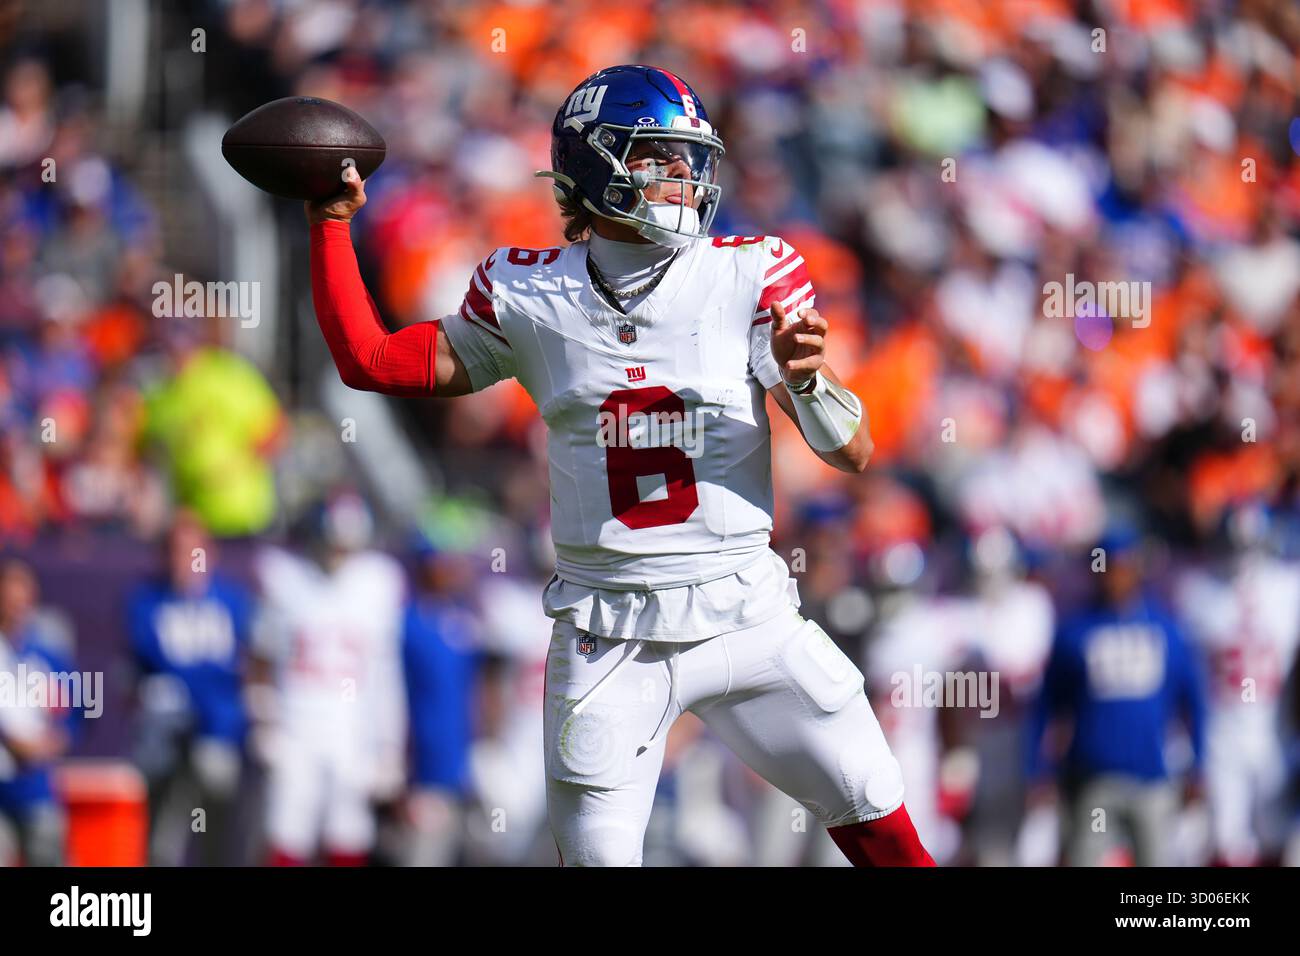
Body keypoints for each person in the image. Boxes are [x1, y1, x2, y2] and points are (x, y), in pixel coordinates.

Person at [306, 65, 933, 867]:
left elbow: (853, 450)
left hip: (746, 610)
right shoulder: (529, 294)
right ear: (596, 163)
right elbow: (370, 360)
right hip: (611, 633)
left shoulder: (748, 273)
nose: (686, 177)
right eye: (660, 157)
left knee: (881, 818)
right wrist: (329, 222)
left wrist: (805, 380)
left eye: (692, 159)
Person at [1027, 526, 1207, 866]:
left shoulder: (1165, 628)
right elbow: (1046, 707)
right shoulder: (1075, 630)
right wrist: (1039, 770)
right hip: (1094, 780)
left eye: (1122, 566)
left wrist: (1198, 765)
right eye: (1107, 567)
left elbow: (1193, 700)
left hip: (1152, 777)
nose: (1115, 576)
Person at [127, 512, 252, 865]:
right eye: (174, 550)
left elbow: (244, 666)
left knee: (217, 817)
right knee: (163, 838)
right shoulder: (145, 601)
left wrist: (208, 690)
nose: (182, 560)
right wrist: (211, 679)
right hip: (164, 736)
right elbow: (154, 661)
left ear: (208, 553)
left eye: (190, 551)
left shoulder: (232, 602)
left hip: (218, 735)